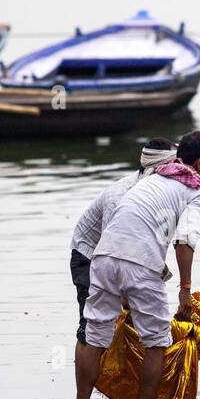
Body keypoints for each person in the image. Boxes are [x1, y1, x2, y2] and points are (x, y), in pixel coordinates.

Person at [75, 130, 200, 399]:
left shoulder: (153, 179)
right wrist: (185, 290)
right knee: (157, 343)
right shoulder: (196, 193)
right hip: (141, 265)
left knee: (94, 336)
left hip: (103, 256)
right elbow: (185, 242)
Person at [70, 137, 176, 368]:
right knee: (90, 327)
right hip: (91, 254)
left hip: (122, 257)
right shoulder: (121, 194)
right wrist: (126, 295)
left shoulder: (159, 194)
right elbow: (111, 246)